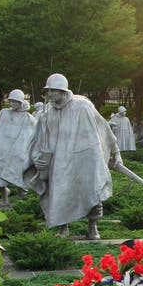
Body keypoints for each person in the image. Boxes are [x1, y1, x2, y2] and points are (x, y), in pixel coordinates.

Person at [25, 73, 122, 240]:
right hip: (59, 161)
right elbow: (38, 139)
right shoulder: (47, 112)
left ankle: (93, 227)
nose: (50, 95)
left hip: (85, 158)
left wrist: (116, 152)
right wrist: (36, 157)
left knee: (91, 191)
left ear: (63, 91)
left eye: (54, 91)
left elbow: (103, 128)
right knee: (59, 192)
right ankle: (63, 228)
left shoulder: (82, 106)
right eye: (48, 91)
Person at [0, 89, 36, 204]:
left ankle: (23, 198)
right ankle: (4, 197)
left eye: (14, 101)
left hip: (17, 152)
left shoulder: (28, 118)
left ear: (21, 102)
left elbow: (34, 135)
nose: (11, 104)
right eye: (10, 101)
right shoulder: (4, 113)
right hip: (0, 150)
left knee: (18, 175)